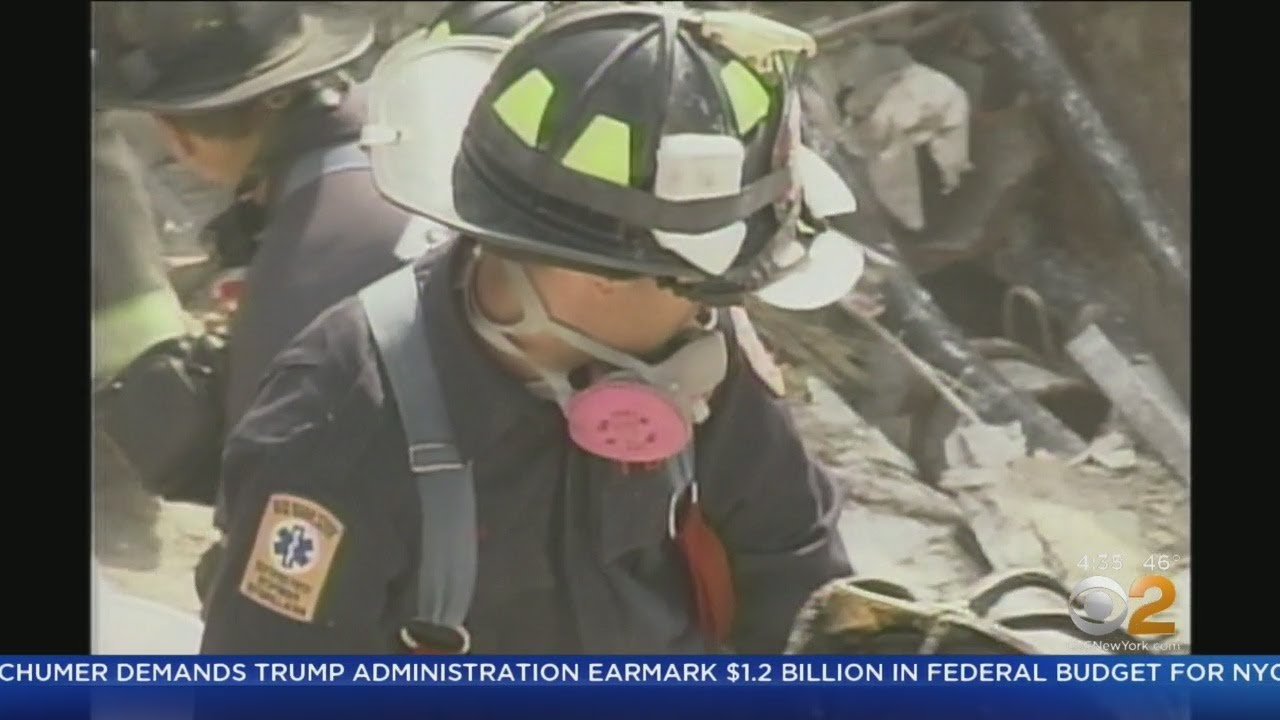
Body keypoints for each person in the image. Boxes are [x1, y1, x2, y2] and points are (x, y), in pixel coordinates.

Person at [201, 3, 867, 654]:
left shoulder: (702, 359)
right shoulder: (340, 425)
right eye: (699, 292)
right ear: (602, 274)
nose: (713, 319)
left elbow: (795, 569)